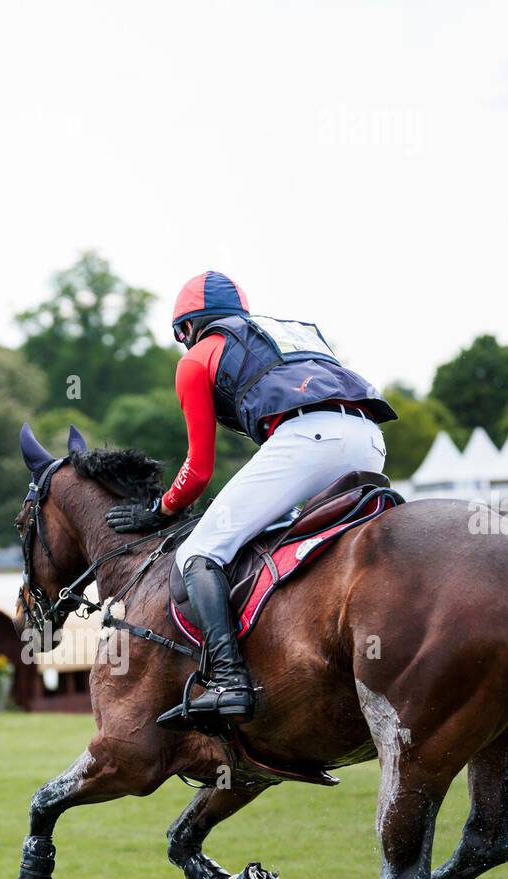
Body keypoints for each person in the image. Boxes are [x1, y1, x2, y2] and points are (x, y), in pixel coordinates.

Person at [106, 271, 397, 726]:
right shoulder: (285, 334)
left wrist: (160, 509)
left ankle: (228, 681)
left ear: (186, 329)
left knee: (200, 552)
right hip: (370, 440)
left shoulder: (196, 358)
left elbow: (198, 470)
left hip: (308, 441)